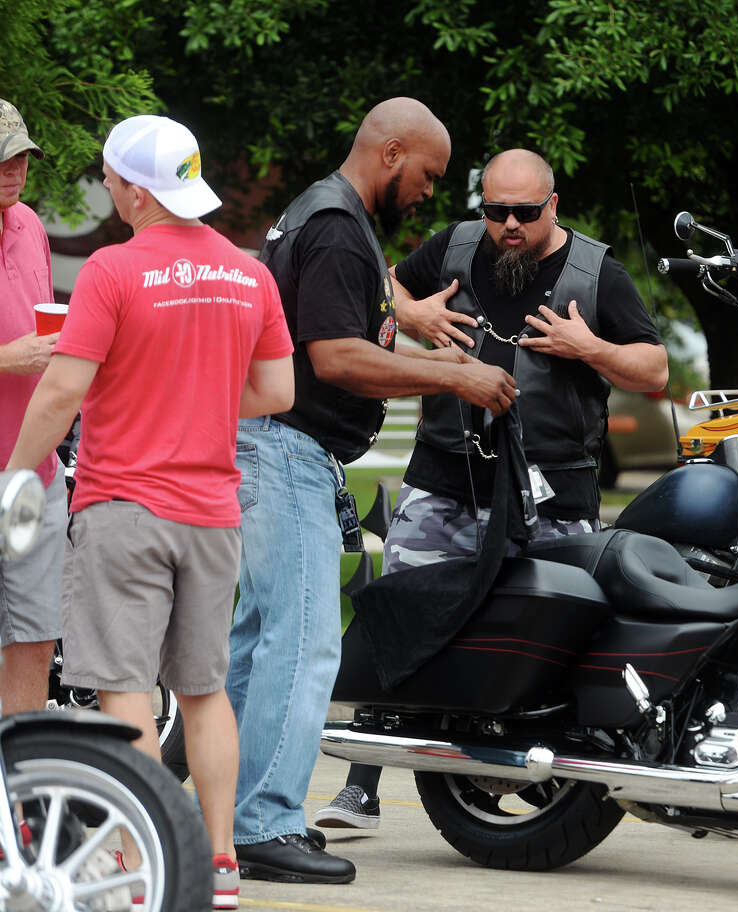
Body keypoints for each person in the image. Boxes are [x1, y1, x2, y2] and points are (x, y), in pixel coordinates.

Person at [313, 147, 668, 831]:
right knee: (400, 618)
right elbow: (380, 283)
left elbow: (653, 369)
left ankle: (555, 783)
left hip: (552, 494)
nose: (509, 224)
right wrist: (411, 315)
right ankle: (361, 787)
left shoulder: (597, 272)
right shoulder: (453, 247)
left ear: (553, 206)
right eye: (496, 210)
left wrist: (590, 348)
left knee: (560, 635)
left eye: (525, 213)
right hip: (446, 476)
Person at [7, 113, 295, 911]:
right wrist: (197, 398)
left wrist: (15, 475)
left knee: (125, 690)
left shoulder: (112, 270)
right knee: (203, 691)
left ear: (137, 191)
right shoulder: (247, 272)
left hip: (124, 508)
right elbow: (278, 391)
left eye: (110, 179)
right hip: (213, 512)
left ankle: (139, 855)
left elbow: (62, 391)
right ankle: (221, 862)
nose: (108, 190)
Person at [226, 98, 516, 885]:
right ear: (391, 152)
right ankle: (263, 825)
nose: (429, 192)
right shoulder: (334, 225)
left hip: (277, 447)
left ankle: (229, 817)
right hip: (289, 448)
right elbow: (336, 358)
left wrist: (420, 339)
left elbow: (348, 332)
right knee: (304, 641)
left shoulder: (328, 215)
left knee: (259, 643)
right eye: (429, 174)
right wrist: (454, 376)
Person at [0, 98, 67, 719]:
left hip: (35, 476)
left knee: (34, 637)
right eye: (2, 158)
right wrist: (6, 358)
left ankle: (16, 769)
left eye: (21, 156)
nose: (14, 169)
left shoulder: (29, 225)